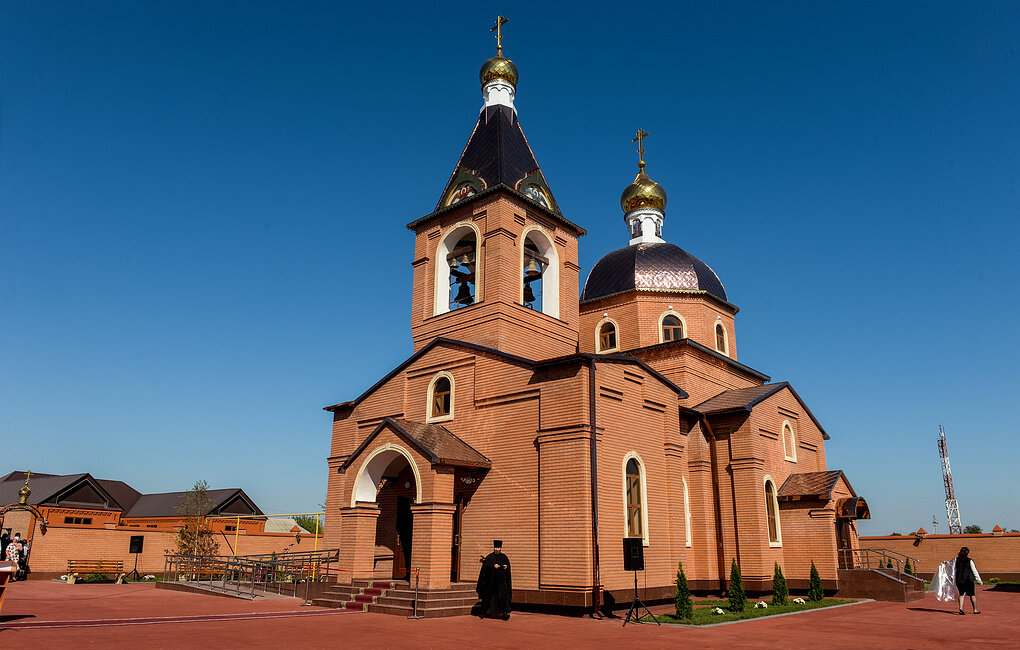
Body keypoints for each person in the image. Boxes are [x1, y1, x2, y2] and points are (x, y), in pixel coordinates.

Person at [476, 539, 512, 620]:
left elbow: (508, 567)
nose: (497, 549)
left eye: (498, 548)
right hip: (491, 583)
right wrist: (493, 566)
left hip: (502, 582)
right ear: (494, 548)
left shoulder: (504, 557)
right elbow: (485, 567)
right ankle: (488, 612)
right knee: (491, 598)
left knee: (502, 596)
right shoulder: (490, 557)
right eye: (496, 548)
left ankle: (504, 613)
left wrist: (506, 567)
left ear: (501, 548)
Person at [955, 546, 982, 615]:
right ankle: (975, 609)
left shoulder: (956, 560)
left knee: (961, 594)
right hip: (968, 580)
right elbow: (974, 570)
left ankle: (961, 608)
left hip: (959, 580)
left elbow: (953, 570)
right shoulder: (969, 561)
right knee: (972, 595)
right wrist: (979, 580)